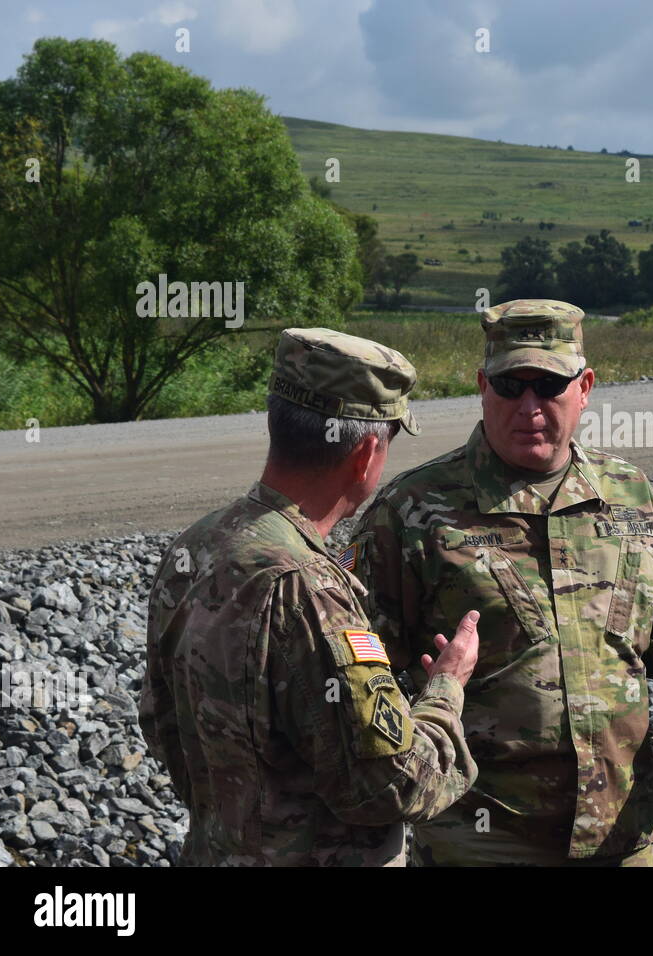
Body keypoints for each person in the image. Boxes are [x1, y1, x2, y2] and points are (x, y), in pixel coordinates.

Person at [350, 298, 653, 866]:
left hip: (621, 838)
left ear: (584, 387)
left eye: (549, 386)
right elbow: (358, 678)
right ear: (482, 386)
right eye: (511, 386)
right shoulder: (413, 512)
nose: (529, 406)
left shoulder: (631, 500)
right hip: (480, 844)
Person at [140, 328, 480, 866]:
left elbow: (160, 721)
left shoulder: (199, 543)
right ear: (367, 453)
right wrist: (446, 690)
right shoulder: (308, 589)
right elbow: (395, 785)